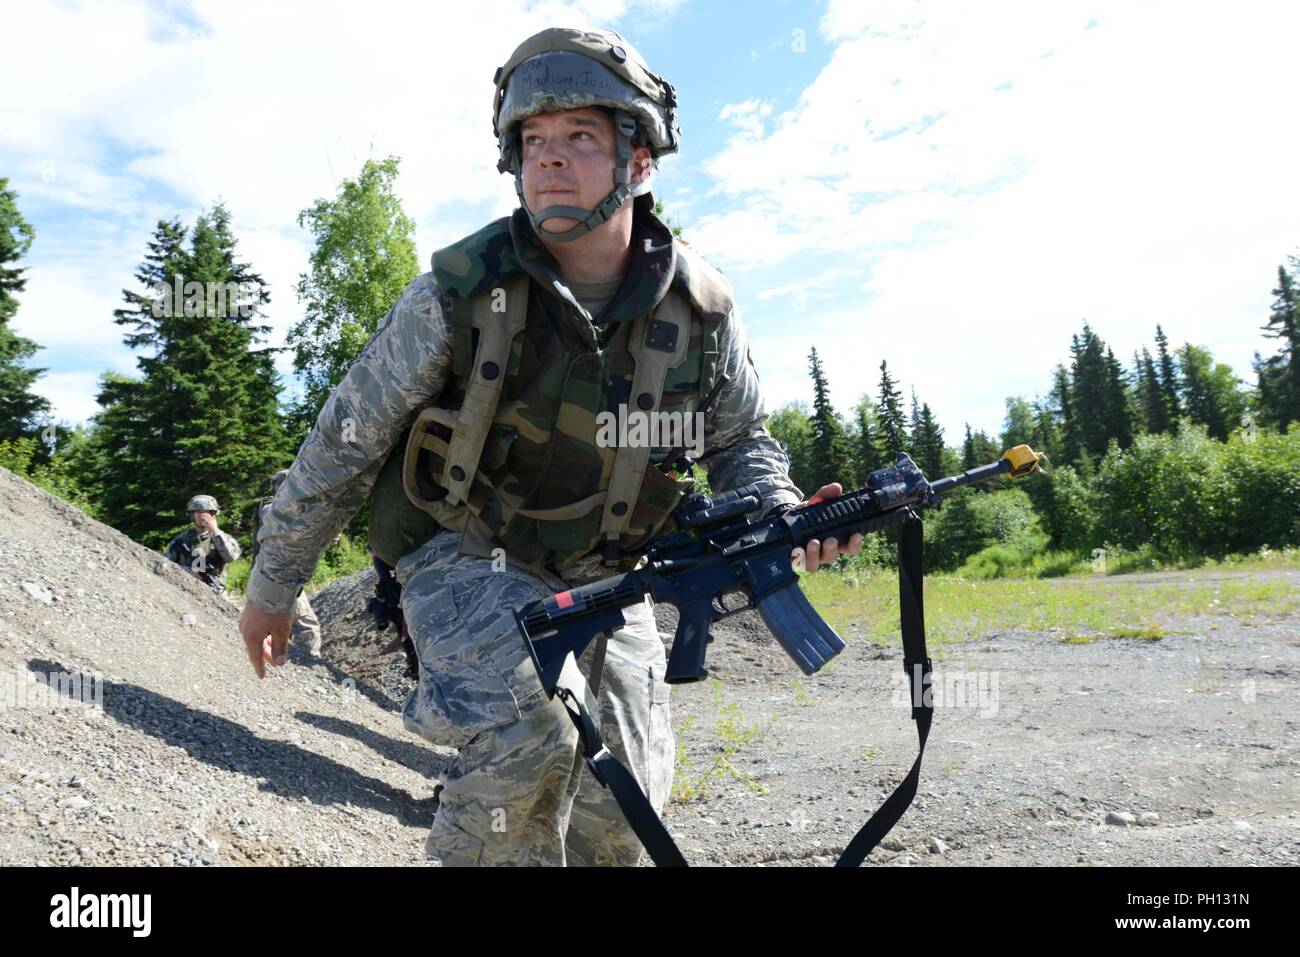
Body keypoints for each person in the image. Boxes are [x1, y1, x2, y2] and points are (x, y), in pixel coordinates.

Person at [239, 26, 860, 866]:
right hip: (469, 553)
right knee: (529, 732)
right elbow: (344, 442)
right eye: (533, 141)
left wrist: (786, 517)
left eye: (580, 138)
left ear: (640, 160)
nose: (550, 159)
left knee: (624, 803)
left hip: (615, 573)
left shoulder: (700, 313)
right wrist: (274, 586)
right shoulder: (458, 296)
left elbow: (743, 442)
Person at [250, 470, 323, 658]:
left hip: (281, 575)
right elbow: (280, 520)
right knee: (306, 625)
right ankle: (308, 664)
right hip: (278, 576)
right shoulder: (269, 506)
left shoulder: (293, 509)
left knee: (280, 622)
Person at [165, 495, 242, 595]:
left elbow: (230, 557)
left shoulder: (224, 538)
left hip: (215, 590)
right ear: (192, 515)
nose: (202, 516)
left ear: (213, 514)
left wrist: (215, 531)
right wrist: (188, 572)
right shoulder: (182, 539)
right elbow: (165, 563)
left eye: (206, 512)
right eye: (198, 512)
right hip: (184, 590)